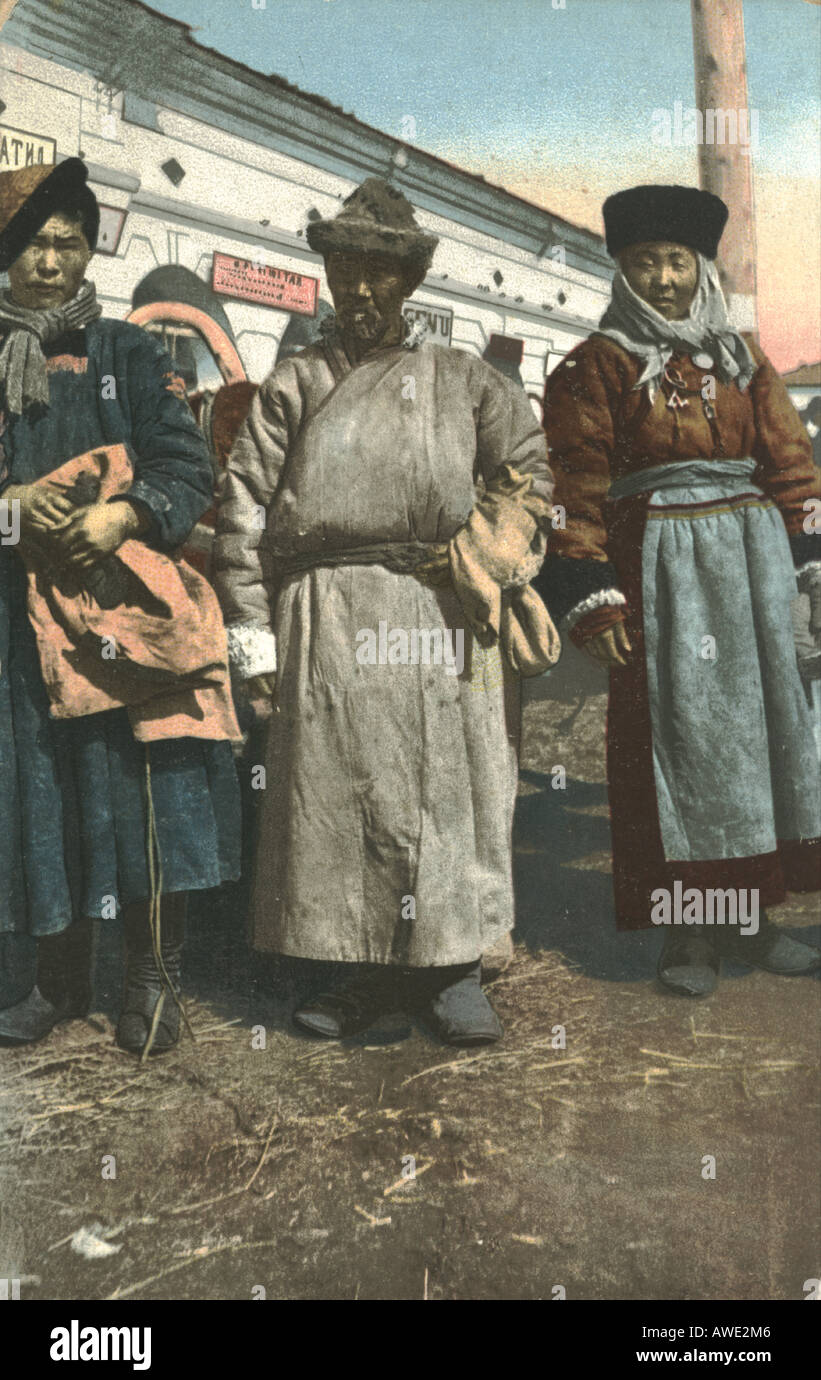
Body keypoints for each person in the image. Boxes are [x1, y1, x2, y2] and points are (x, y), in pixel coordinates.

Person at [212, 177, 558, 1045]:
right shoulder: (292, 386)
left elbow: (529, 475)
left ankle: (451, 971)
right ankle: (346, 972)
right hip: (325, 616)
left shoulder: (464, 379)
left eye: (381, 272)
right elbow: (242, 516)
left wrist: (491, 546)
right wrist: (254, 646)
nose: (363, 289)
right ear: (328, 275)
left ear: (410, 281)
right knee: (336, 800)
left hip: (443, 610)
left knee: (451, 794)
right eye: (347, 270)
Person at [535, 183, 821, 997]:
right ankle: (686, 935)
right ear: (622, 274)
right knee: (675, 745)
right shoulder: (594, 365)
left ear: (699, 269)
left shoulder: (740, 358)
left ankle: (751, 919)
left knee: (756, 743)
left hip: (751, 569)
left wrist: (811, 565)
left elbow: (791, 465)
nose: (661, 279)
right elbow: (575, 483)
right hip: (656, 568)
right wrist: (590, 588)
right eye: (642, 264)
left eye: (674, 262)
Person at [0, 159, 241, 1053]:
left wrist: (123, 514)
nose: (51, 262)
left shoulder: (128, 355)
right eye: (33, 244)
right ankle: (58, 983)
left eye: (68, 242)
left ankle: (151, 981)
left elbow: (188, 471)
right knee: (45, 794)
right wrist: (11, 514)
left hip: (120, 618)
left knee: (143, 795)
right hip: (17, 626)